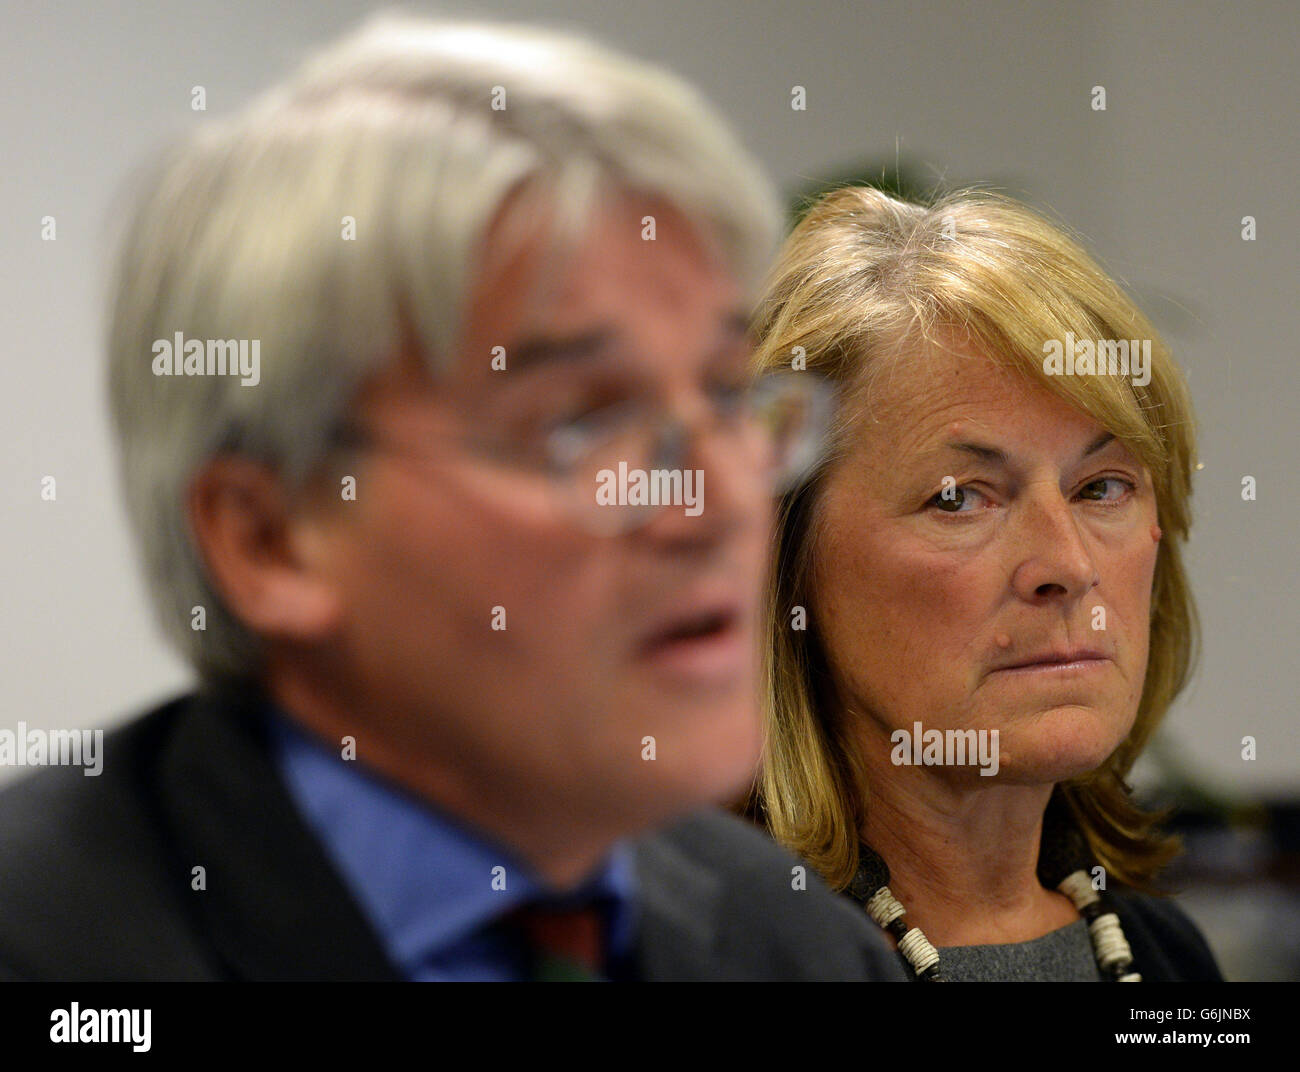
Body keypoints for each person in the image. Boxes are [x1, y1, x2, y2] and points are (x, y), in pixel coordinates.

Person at [0, 16, 904, 982]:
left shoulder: (801, 949)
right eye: (584, 421)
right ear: (269, 539)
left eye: (727, 393)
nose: (721, 497)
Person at [746, 185, 1223, 981]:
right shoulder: (710, 956)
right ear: (784, 563)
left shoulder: (1166, 960)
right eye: (959, 498)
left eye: (1101, 486)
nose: (1068, 567)